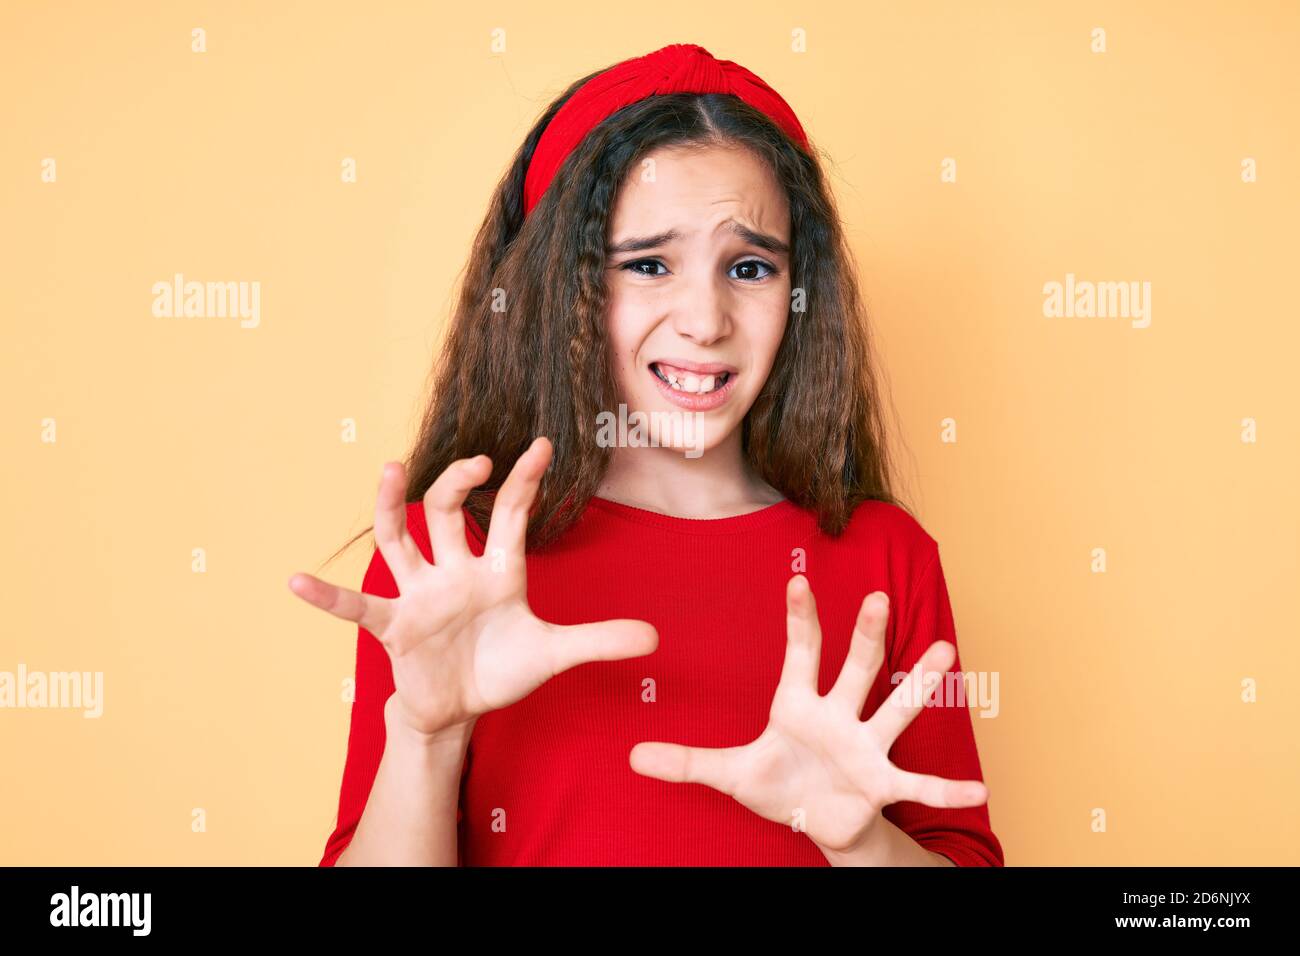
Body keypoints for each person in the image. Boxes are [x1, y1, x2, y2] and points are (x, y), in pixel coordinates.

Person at [289, 42, 1004, 866]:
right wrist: (425, 735)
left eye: (749, 267)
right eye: (648, 264)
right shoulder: (455, 559)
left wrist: (860, 841)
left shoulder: (887, 558)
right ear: (561, 290)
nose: (705, 319)